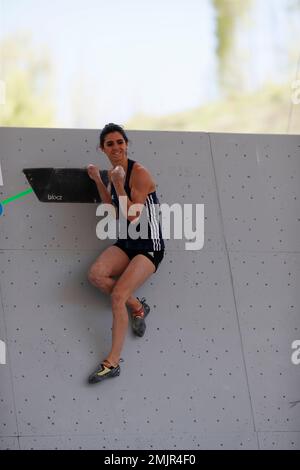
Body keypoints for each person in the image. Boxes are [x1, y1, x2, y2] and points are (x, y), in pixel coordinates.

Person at [86, 123, 165, 384]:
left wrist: (119, 185)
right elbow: (112, 211)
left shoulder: (139, 173)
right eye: (110, 144)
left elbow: (133, 216)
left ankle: (112, 363)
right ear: (102, 148)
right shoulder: (113, 173)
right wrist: (100, 180)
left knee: (118, 294)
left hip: (149, 245)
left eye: (120, 142)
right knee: (96, 275)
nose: (116, 147)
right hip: (129, 243)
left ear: (127, 144)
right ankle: (138, 306)